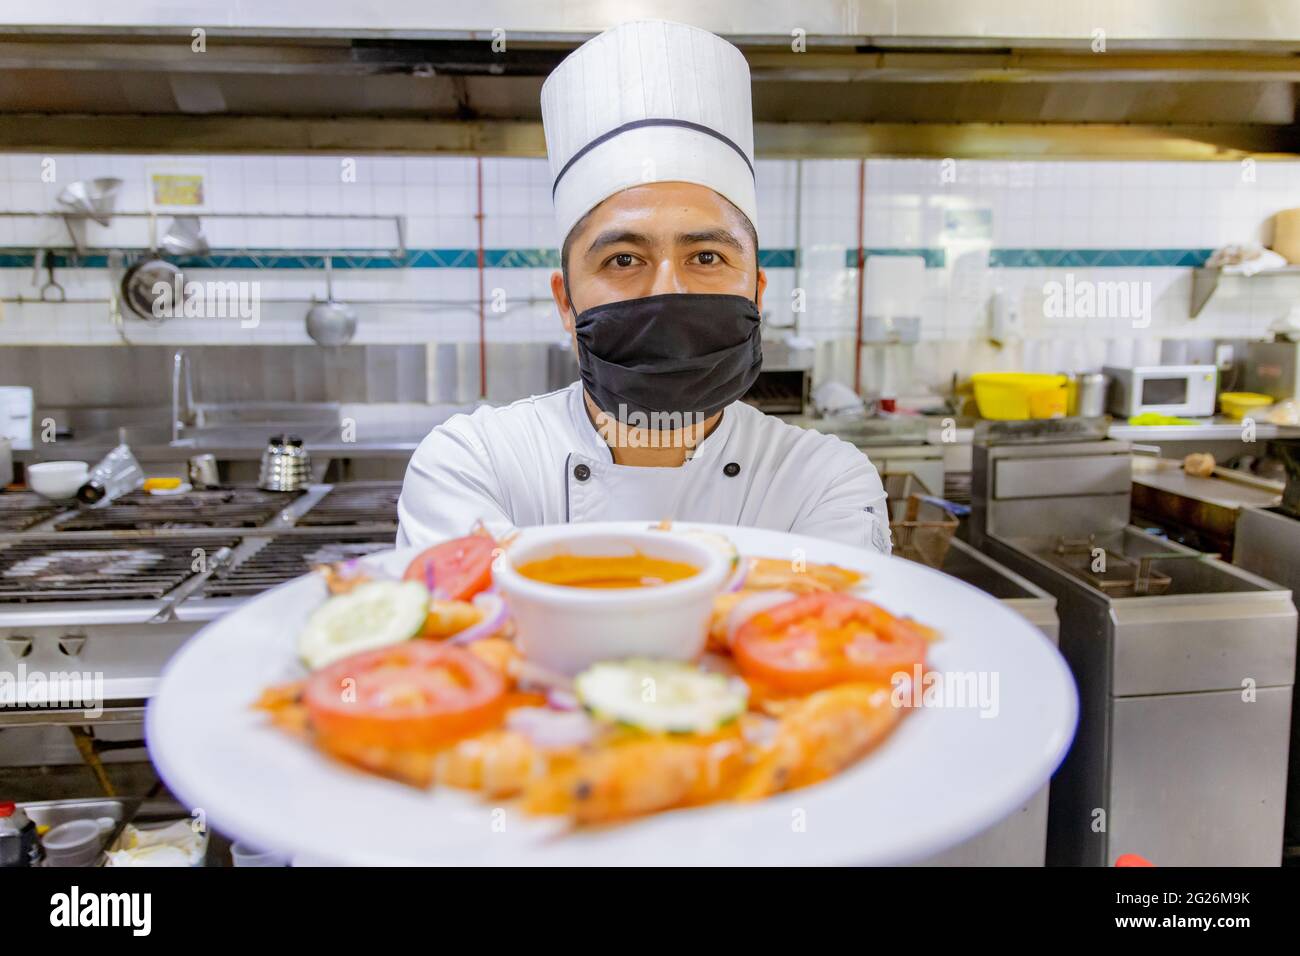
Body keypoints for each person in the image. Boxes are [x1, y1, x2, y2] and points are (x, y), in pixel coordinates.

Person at [398, 19, 889, 553]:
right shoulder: (473, 462)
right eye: (624, 258)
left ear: (757, 291)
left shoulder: (823, 480)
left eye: (706, 256)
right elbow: (459, 626)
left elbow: (827, 629)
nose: (667, 291)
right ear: (566, 301)